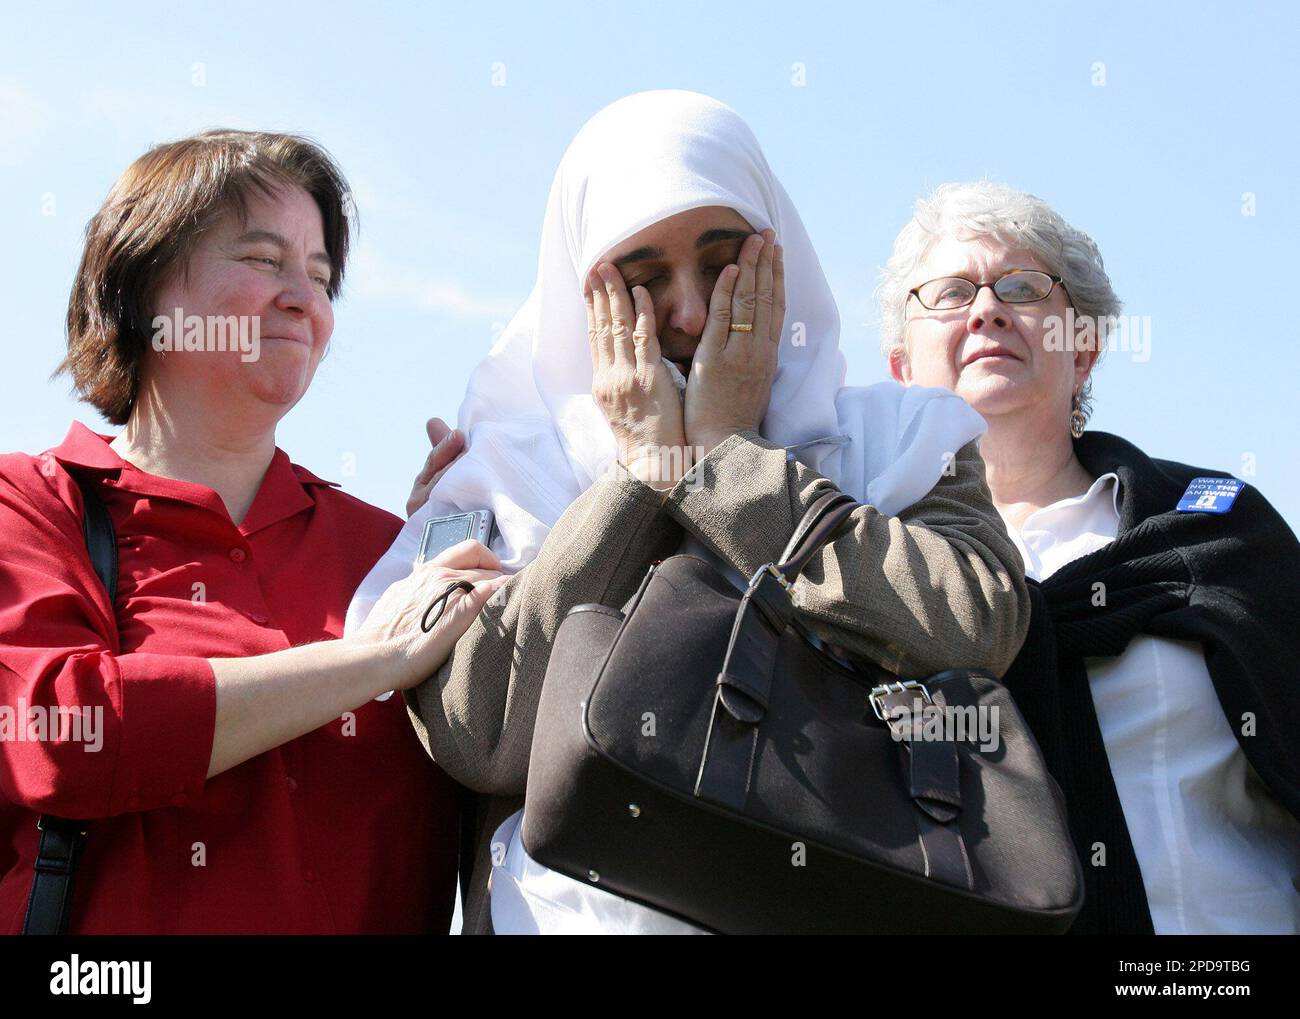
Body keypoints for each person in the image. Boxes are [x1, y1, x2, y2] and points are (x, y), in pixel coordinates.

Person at [349, 92, 1031, 933]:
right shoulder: (494, 475)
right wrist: (643, 472)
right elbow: (478, 734)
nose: (691, 313)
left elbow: (973, 625)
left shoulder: (902, 439)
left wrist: (727, 461)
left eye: (722, 264)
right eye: (642, 280)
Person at [0, 130, 504, 933]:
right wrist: (372, 661)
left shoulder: (392, 557)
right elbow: (59, 731)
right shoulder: (31, 505)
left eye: (320, 275)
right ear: (141, 285)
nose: (304, 298)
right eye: (264, 261)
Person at [879, 180, 1300, 933]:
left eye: (1023, 286)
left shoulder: (1213, 523)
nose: (986, 309)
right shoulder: (872, 564)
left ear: (1084, 349)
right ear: (902, 369)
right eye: (948, 293)